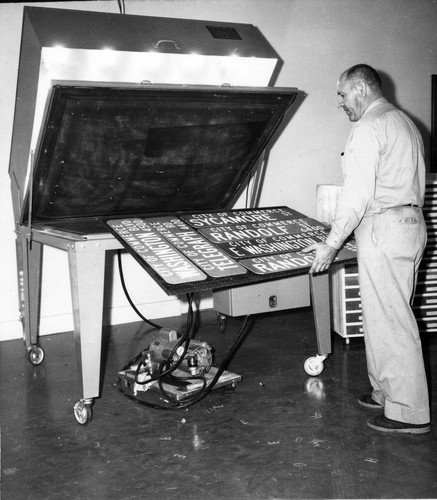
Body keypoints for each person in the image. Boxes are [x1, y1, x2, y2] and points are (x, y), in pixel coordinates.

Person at [303, 64, 430, 434]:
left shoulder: (367, 128)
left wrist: (330, 244)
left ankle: (409, 411)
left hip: (385, 227)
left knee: (391, 321)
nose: (340, 103)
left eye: (342, 94)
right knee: (380, 316)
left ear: (360, 89)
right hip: (408, 225)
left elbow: (356, 196)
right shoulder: (404, 122)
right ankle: (384, 392)